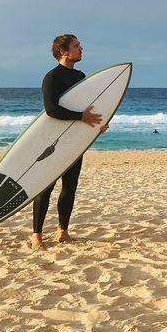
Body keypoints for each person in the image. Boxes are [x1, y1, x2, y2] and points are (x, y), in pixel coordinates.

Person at [29, 33, 106, 249]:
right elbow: (52, 109)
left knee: (70, 186)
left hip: (74, 140)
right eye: (76, 45)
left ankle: (62, 231)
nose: (81, 48)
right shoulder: (51, 77)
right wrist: (82, 117)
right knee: (46, 187)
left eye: (79, 44)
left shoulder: (80, 76)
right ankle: (37, 235)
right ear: (63, 51)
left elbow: (87, 106)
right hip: (52, 139)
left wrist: (98, 124)